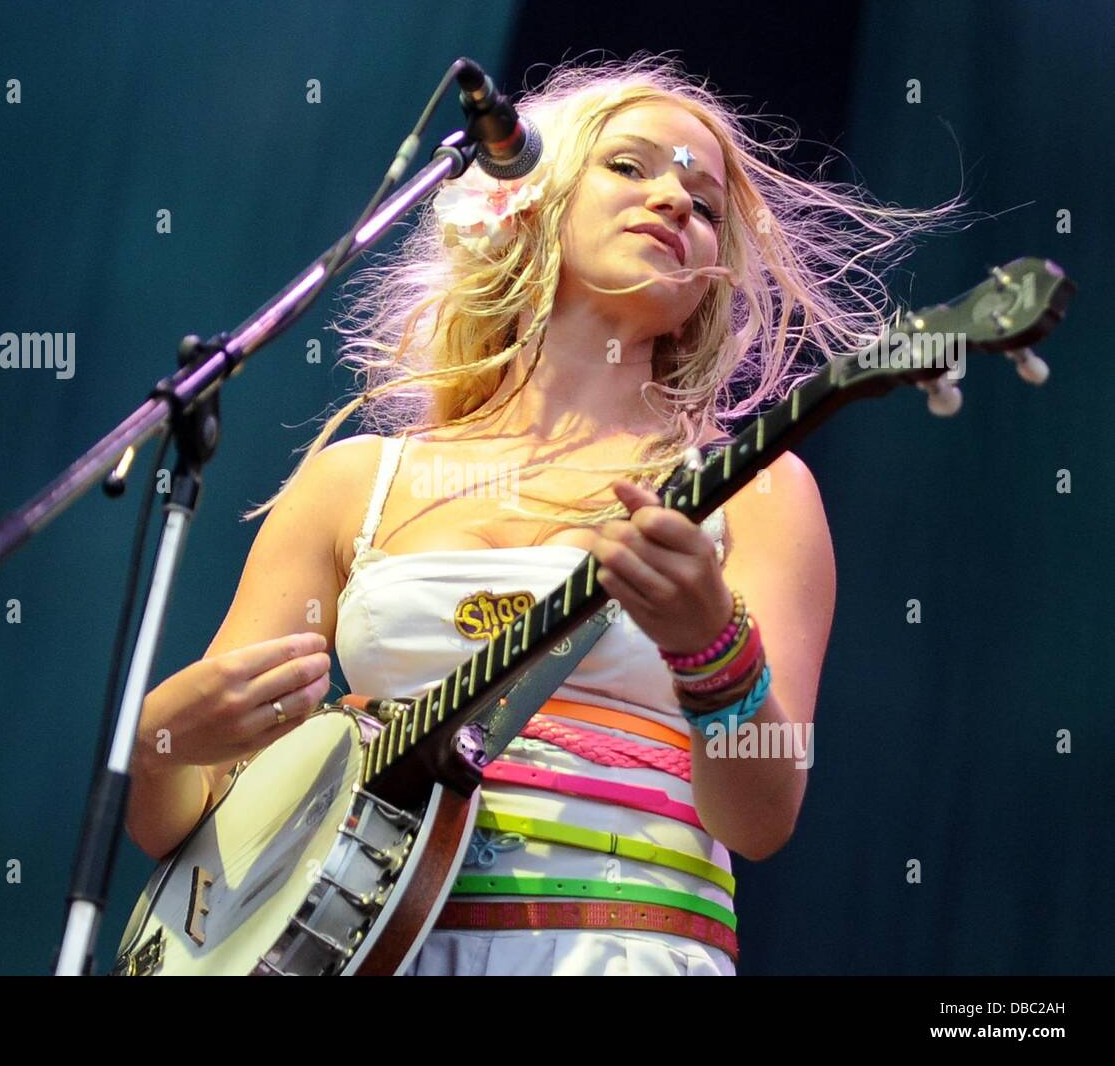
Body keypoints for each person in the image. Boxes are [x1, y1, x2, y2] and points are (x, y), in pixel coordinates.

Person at [124, 54, 959, 975]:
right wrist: (161, 739)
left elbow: (762, 819)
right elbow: (201, 839)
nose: (676, 203)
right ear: (531, 197)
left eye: (706, 202)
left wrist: (709, 644)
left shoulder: (757, 493)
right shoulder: (351, 484)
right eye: (631, 167)